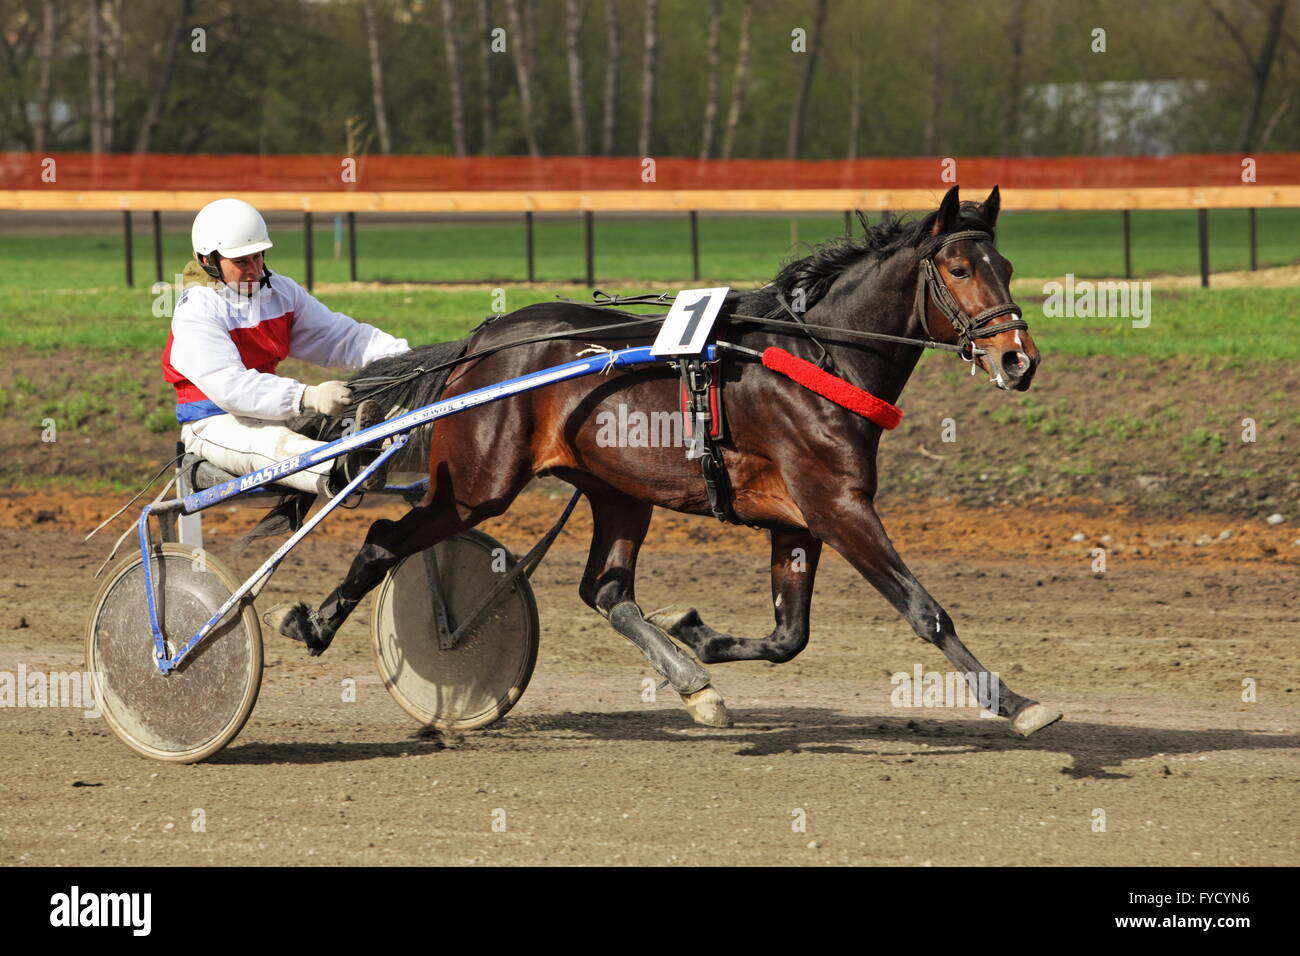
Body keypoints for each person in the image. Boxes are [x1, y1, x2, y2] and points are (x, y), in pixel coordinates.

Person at [162, 198, 410, 496]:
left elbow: (340, 336)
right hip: (212, 423)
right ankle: (345, 465)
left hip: (271, 410)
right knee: (274, 443)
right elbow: (231, 388)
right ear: (208, 260)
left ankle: (371, 451)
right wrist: (308, 395)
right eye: (241, 262)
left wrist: (407, 358)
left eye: (258, 257)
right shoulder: (198, 308)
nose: (254, 269)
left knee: (353, 415)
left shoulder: (280, 290)